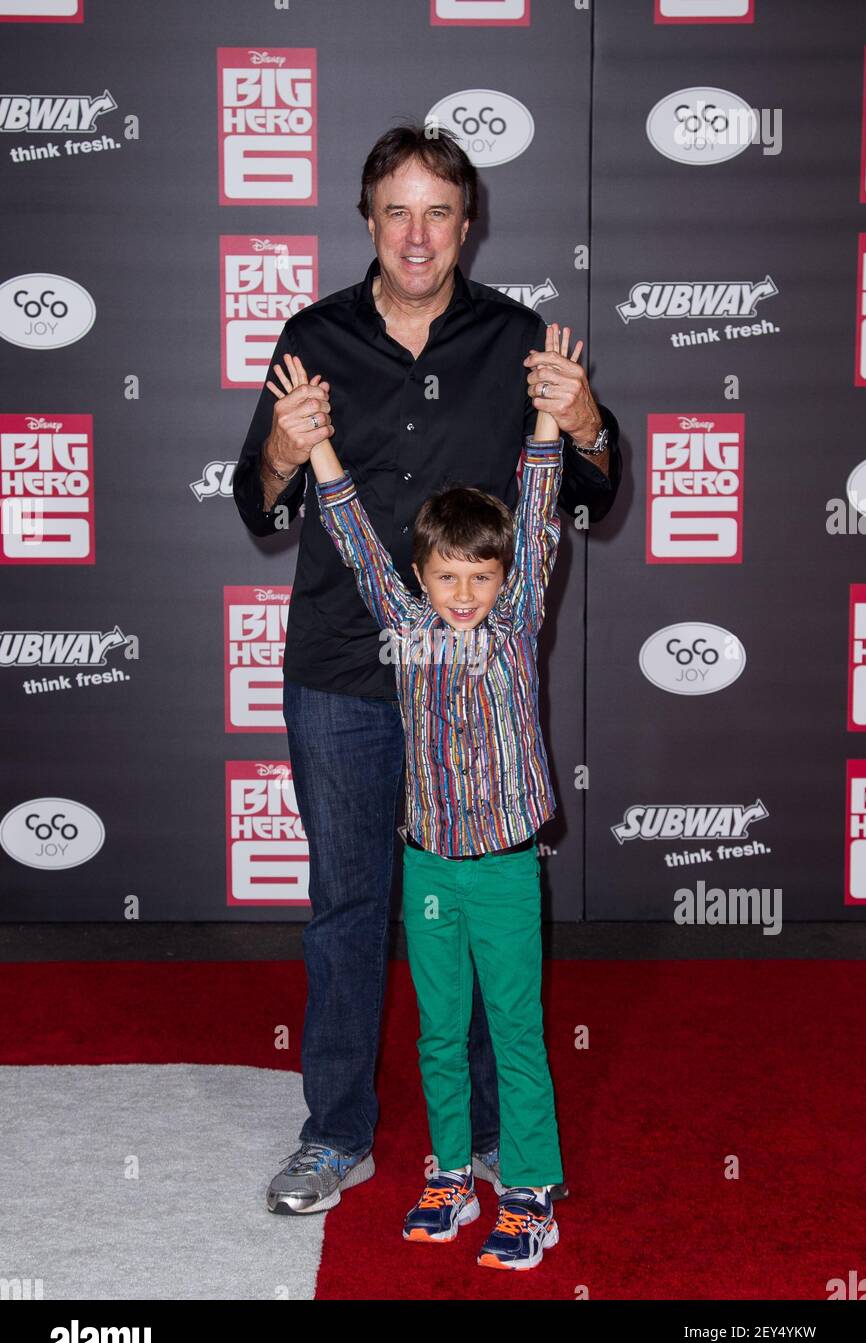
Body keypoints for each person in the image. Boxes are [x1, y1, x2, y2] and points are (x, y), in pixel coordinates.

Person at [232, 123, 622, 1217]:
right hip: (344, 675)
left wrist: (584, 421)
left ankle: (496, 1138)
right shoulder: (312, 335)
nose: (415, 233)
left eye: (437, 211)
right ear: (366, 221)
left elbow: (587, 494)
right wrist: (279, 444)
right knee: (348, 905)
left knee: (485, 914)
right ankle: (335, 1133)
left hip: (466, 693)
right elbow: (259, 501)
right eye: (395, 210)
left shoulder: (512, 341)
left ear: (466, 224)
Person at [275, 321, 573, 1270]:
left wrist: (550, 420)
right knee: (439, 1031)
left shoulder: (518, 619)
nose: (463, 594)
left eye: (481, 577)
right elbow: (357, 537)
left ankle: (527, 1190)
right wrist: (318, 442)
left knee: (515, 1030)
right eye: (447, 576)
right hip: (428, 860)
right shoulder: (402, 626)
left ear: (505, 579)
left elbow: (534, 507)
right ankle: (449, 1173)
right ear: (423, 577)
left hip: (505, 864)